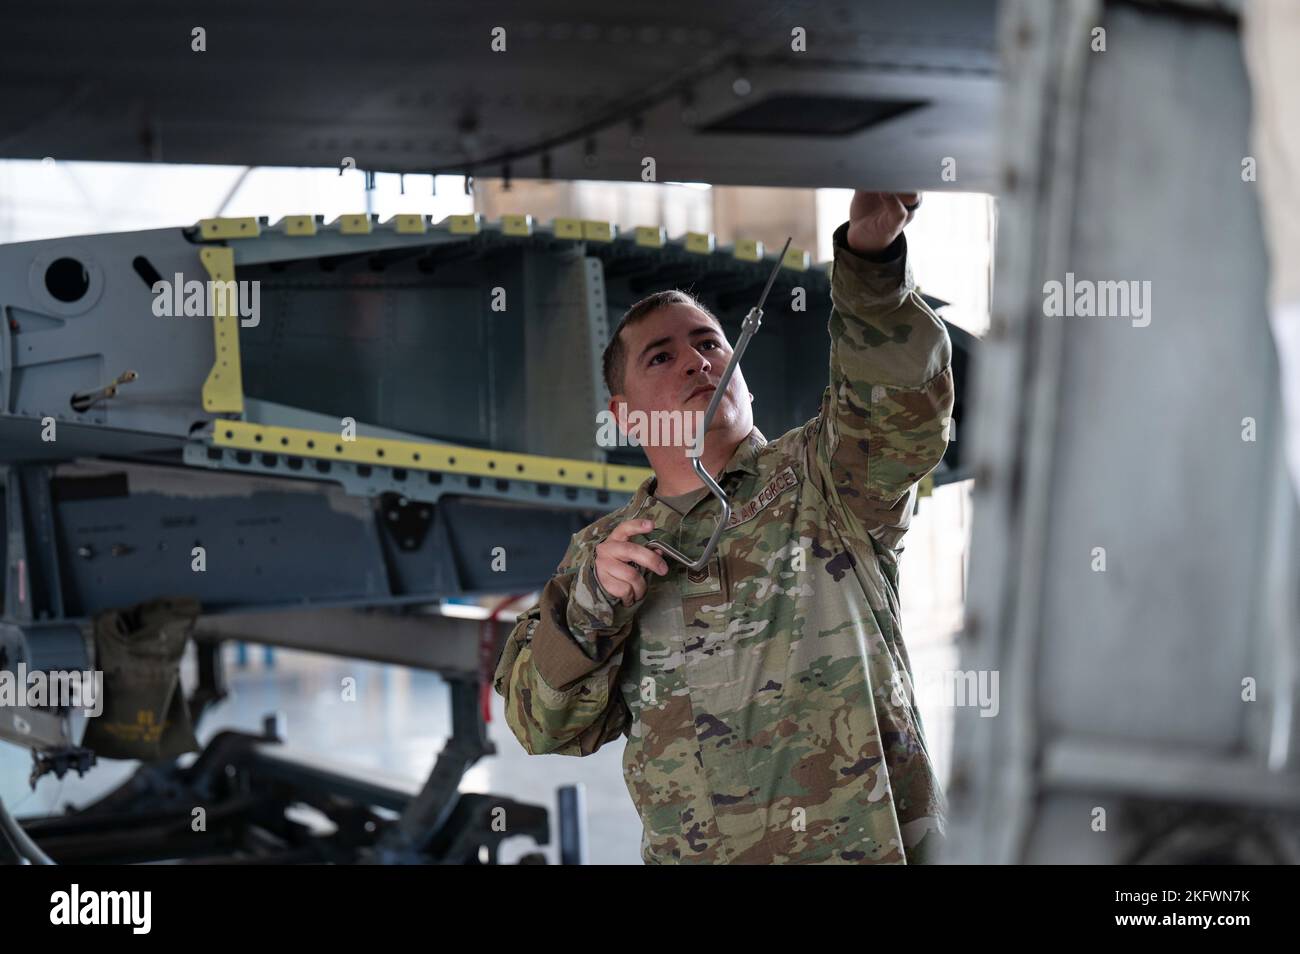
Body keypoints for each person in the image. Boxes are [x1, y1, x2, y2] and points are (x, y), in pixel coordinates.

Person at [494, 191, 954, 864]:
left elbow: (902, 411)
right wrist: (593, 611)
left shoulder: (825, 477)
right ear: (626, 418)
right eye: (661, 356)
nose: (697, 362)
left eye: (709, 343)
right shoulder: (604, 556)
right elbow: (542, 729)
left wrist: (872, 262)